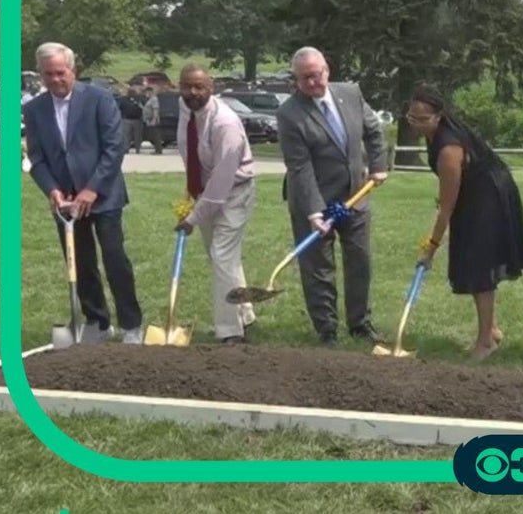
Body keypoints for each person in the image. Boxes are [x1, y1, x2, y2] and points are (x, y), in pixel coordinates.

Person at [23, 42, 145, 344]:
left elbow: (115, 147)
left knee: (115, 258)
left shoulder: (99, 99)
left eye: (60, 73)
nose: (55, 79)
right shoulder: (34, 109)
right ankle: (97, 322)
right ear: (41, 74)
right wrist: (52, 190)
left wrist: (92, 189)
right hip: (65, 201)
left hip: (103, 196)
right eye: (48, 74)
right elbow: (36, 157)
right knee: (80, 262)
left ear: (72, 70)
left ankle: (131, 324)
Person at [406, 82, 523, 360]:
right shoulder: (434, 134)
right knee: (477, 264)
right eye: (412, 117)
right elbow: (448, 194)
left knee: (480, 267)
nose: (416, 123)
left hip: (489, 198)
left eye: (423, 119)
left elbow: (446, 209)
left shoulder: (448, 148)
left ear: (439, 116)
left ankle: (486, 341)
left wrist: (431, 248)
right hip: (474, 195)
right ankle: (493, 330)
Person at [276, 46, 389, 347]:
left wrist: (378, 166)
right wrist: (315, 211)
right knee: (318, 267)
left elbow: (373, 130)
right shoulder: (289, 114)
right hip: (313, 199)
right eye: (304, 78)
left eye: (316, 75)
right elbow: (299, 166)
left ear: (326, 71)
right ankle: (326, 328)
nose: (312, 82)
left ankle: (360, 324)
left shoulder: (350, 93)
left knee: (360, 261)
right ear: (296, 80)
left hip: (355, 195)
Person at [174, 64, 258, 344]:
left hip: (235, 192)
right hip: (205, 190)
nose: (192, 92)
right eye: (186, 86)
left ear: (212, 88)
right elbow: (190, 153)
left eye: (199, 86)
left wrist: (192, 219)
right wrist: (190, 192)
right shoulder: (186, 109)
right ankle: (244, 312)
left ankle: (230, 331)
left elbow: (221, 183)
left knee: (222, 256)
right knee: (221, 258)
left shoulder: (225, 123)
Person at [142, 89, 163, 154]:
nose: (146, 94)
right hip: (149, 119)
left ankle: (158, 150)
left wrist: (154, 119)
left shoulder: (154, 99)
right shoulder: (150, 100)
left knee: (155, 135)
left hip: (152, 119)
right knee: (153, 135)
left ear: (150, 92)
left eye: (147, 92)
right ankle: (157, 149)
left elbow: (155, 109)